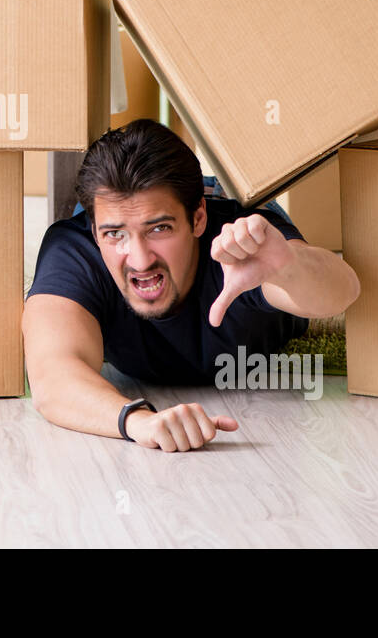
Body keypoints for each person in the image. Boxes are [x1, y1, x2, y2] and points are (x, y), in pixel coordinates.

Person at [23, 119, 360, 453]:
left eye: (159, 229)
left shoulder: (238, 244)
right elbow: (52, 375)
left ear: (198, 219)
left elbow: (342, 291)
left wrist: (288, 264)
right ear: (94, 231)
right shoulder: (76, 248)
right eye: (115, 234)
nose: (140, 261)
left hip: (225, 205)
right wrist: (138, 421)